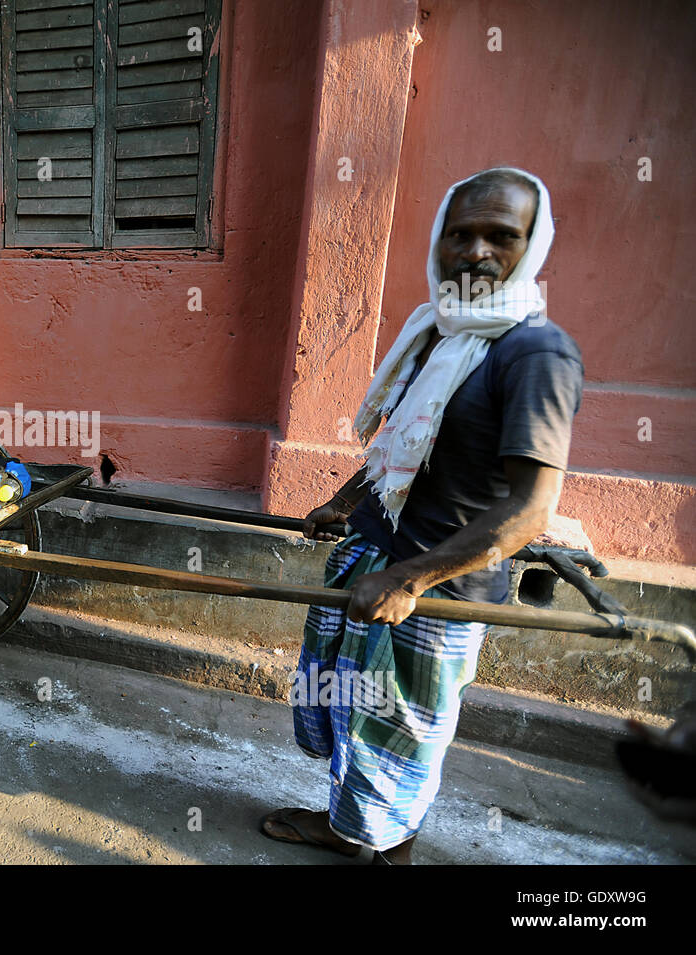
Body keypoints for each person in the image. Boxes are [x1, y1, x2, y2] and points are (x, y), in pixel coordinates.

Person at [261, 167, 583, 864]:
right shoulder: (440, 329)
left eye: (501, 236)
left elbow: (530, 509)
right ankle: (349, 828)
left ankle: (390, 851)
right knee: (350, 711)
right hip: (376, 559)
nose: (475, 252)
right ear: (438, 242)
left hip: (436, 592)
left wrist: (411, 580)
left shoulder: (534, 352)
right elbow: (409, 438)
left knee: (403, 735)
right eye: (459, 234)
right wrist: (347, 501)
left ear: (533, 245)